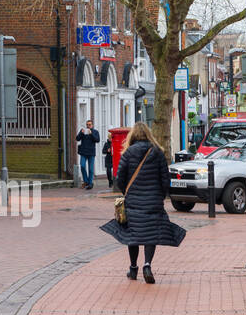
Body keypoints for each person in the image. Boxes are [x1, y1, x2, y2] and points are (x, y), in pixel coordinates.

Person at [100, 122, 186, 283]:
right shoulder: (157, 153)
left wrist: (127, 192)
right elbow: (165, 179)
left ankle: (133, 269)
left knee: (133, 234)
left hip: (133, 201)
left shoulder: (128, 153)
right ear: (149, 135)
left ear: (132, 135)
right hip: (153, 201)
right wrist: (160, 196)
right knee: (150, 234)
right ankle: (147, 265)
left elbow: (119, 178)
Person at [75, 119, 100, 190]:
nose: (88, 126)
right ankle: (86, 181)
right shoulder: (83, 131)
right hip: (83, 152)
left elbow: (97, 140)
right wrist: (81, 133)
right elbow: (77, 139)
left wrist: (91, 133)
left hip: (91, 152)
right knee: (82, 166)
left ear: (92, 125)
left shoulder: (95, 132)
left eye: (89, 125)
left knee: (91, 169)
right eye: (87, 125)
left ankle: (90, 183)